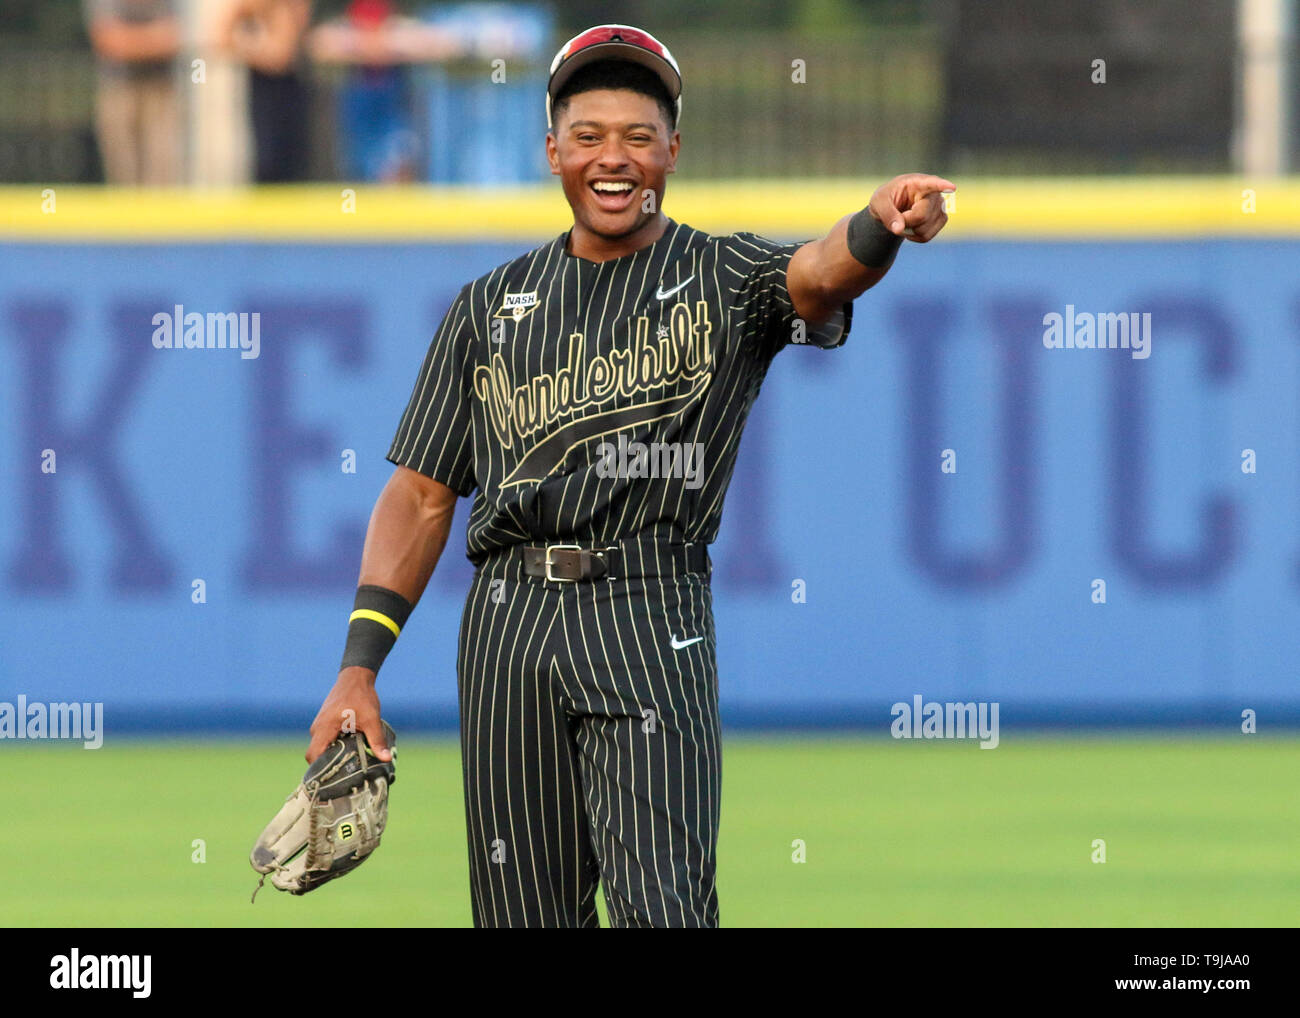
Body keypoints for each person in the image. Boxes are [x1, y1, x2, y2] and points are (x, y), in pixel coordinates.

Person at [306, 23, 953, 928]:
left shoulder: (722, 274)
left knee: (666, 911)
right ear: (552, 151)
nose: (614, 159)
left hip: (649, 610)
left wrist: (879, 225)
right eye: (589, 136)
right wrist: (358, 670)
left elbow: (816, 277)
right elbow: (421, 494)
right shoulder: (488, 306)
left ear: (674, 151)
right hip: (508, 627)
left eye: (639, 137)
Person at [83, 0, 184, 185]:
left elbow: (175, 37)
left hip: (161, 91)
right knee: (124, 175)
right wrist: (155, 39)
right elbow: (110, 42)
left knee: (163, 176)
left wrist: (133, 40)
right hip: (118, 91)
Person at [215, 0, 312, 182]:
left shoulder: (291, 8)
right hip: (264, 86)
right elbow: (221, 39)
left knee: (293, 157)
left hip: (291, 85)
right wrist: (257, 50)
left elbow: (284, 54)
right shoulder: (253, 6)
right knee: (267, 158)